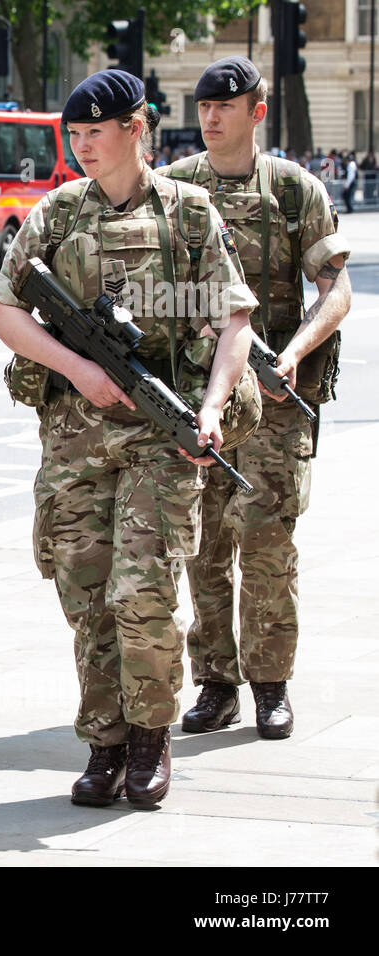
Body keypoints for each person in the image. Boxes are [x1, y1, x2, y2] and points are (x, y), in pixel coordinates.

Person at [0, 69, 256, 808]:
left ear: (136, 130)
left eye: (95, 135)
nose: (82, 149)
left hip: (157, 442)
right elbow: (4, 313)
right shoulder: (58, 213)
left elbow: (236, 323)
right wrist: (76, 367)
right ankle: (103, 743)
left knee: (142, 592)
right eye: (74, 136)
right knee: (84, 595)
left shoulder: (190, 214)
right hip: (75, 441)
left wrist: (209, 407)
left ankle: (149, 737)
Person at [159, 57, 351, 741]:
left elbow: (337, 289)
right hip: (202, 392)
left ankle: (272, 683)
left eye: (226, 106)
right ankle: (216, 682)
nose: (210, 117)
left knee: (268, 544)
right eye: (205, 105)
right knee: (203, 543)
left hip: (273, 395)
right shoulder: (174, 187)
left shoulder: (295, 190)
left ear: (256, 111)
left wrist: (296, 352)